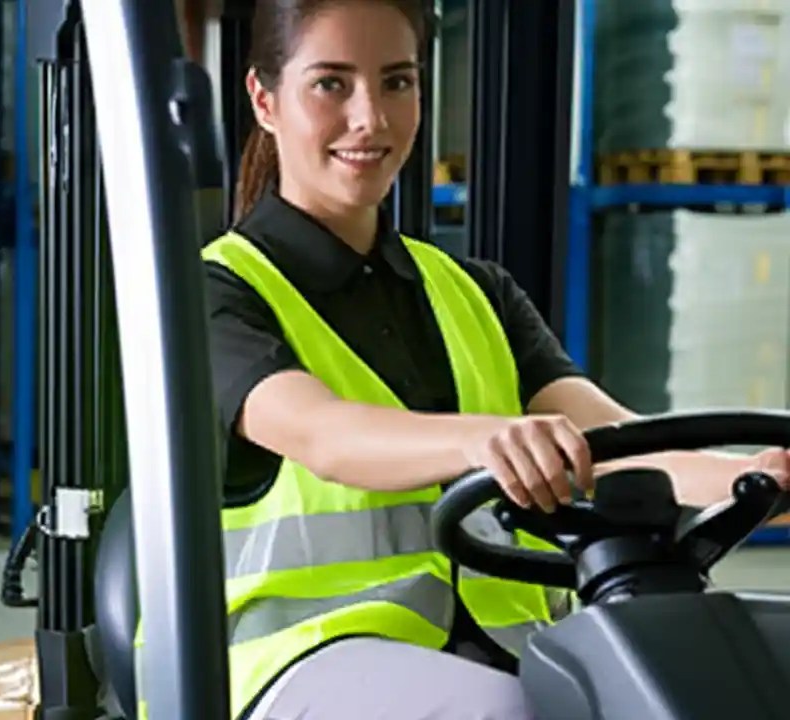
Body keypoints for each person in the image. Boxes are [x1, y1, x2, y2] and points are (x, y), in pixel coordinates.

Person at [201, 1, 790, 718]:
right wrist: (486, 438)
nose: (371, 118)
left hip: (503, 654)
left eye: (397, 82)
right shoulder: (217, 290)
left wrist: (749, 475)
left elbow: (609, 446)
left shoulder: (474, 291)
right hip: (297, 664)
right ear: (265, 100)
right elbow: (325, 436)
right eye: (331, 84)